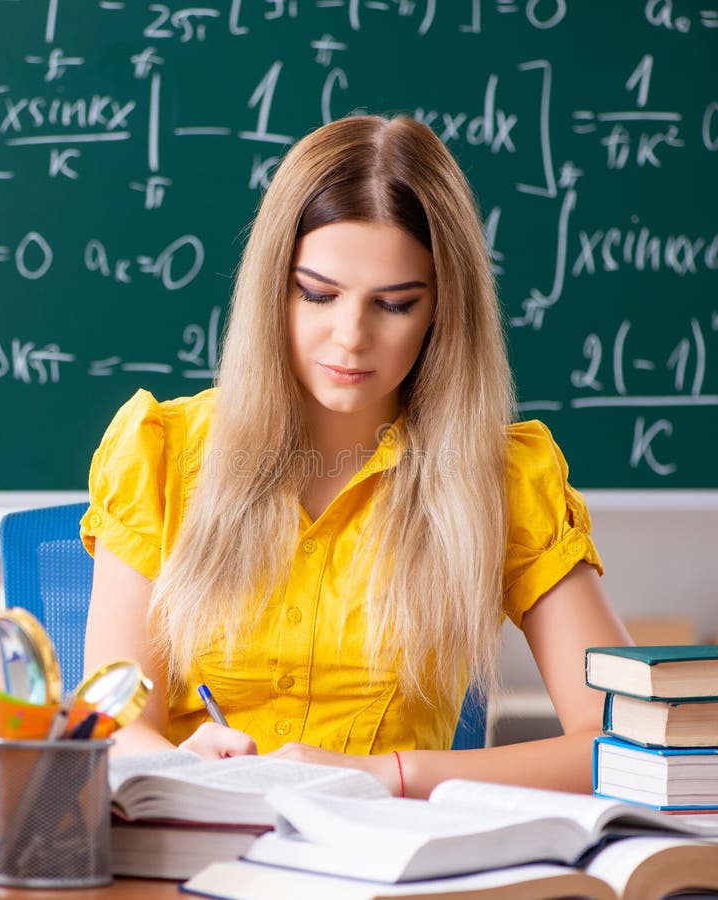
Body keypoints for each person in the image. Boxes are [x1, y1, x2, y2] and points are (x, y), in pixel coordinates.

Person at [81, 114, 631, 799]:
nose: (350, 337)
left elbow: (630, 743)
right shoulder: (160, 453)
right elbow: (107, 725)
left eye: (395, 305)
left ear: (442, 312)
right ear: (271, 288)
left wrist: (390, 775)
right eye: (317, 294)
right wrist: (177, 764)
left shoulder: (503, 480)